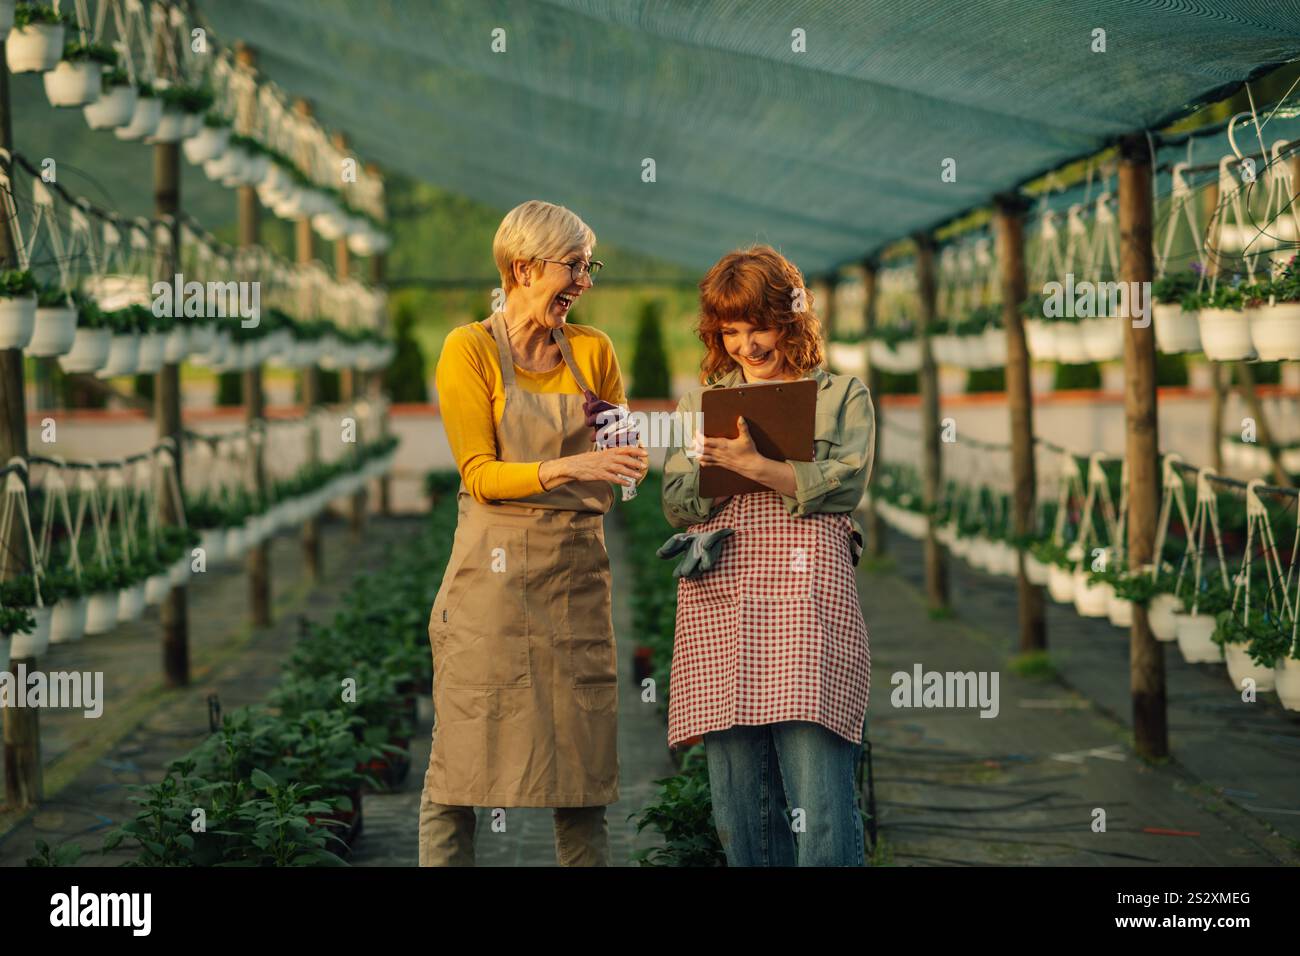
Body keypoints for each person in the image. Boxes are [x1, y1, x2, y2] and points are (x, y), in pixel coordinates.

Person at [418, 200, 649, 867]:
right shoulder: (468, 350)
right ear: (523, 267)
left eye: (588, 266)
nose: (585, 282)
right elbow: (481, 475)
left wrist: (631, 456)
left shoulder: (594, 351)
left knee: (580, 775)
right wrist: (576, 465)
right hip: (490, 588)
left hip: (573, 579)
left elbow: (621, 464)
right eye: (573, 266)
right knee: (459, 767)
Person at [661, 244, 875, 866]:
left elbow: (849, 484)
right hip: (721, 598)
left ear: (793, 317)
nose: (746, 345)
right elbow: (675, 505)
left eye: (759, 326)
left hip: (808, 603)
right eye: (731, 331)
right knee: (741, 811)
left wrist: (760, 467)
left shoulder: (841, 396)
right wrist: (708, 469)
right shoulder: (701, 406)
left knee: (821, 801)